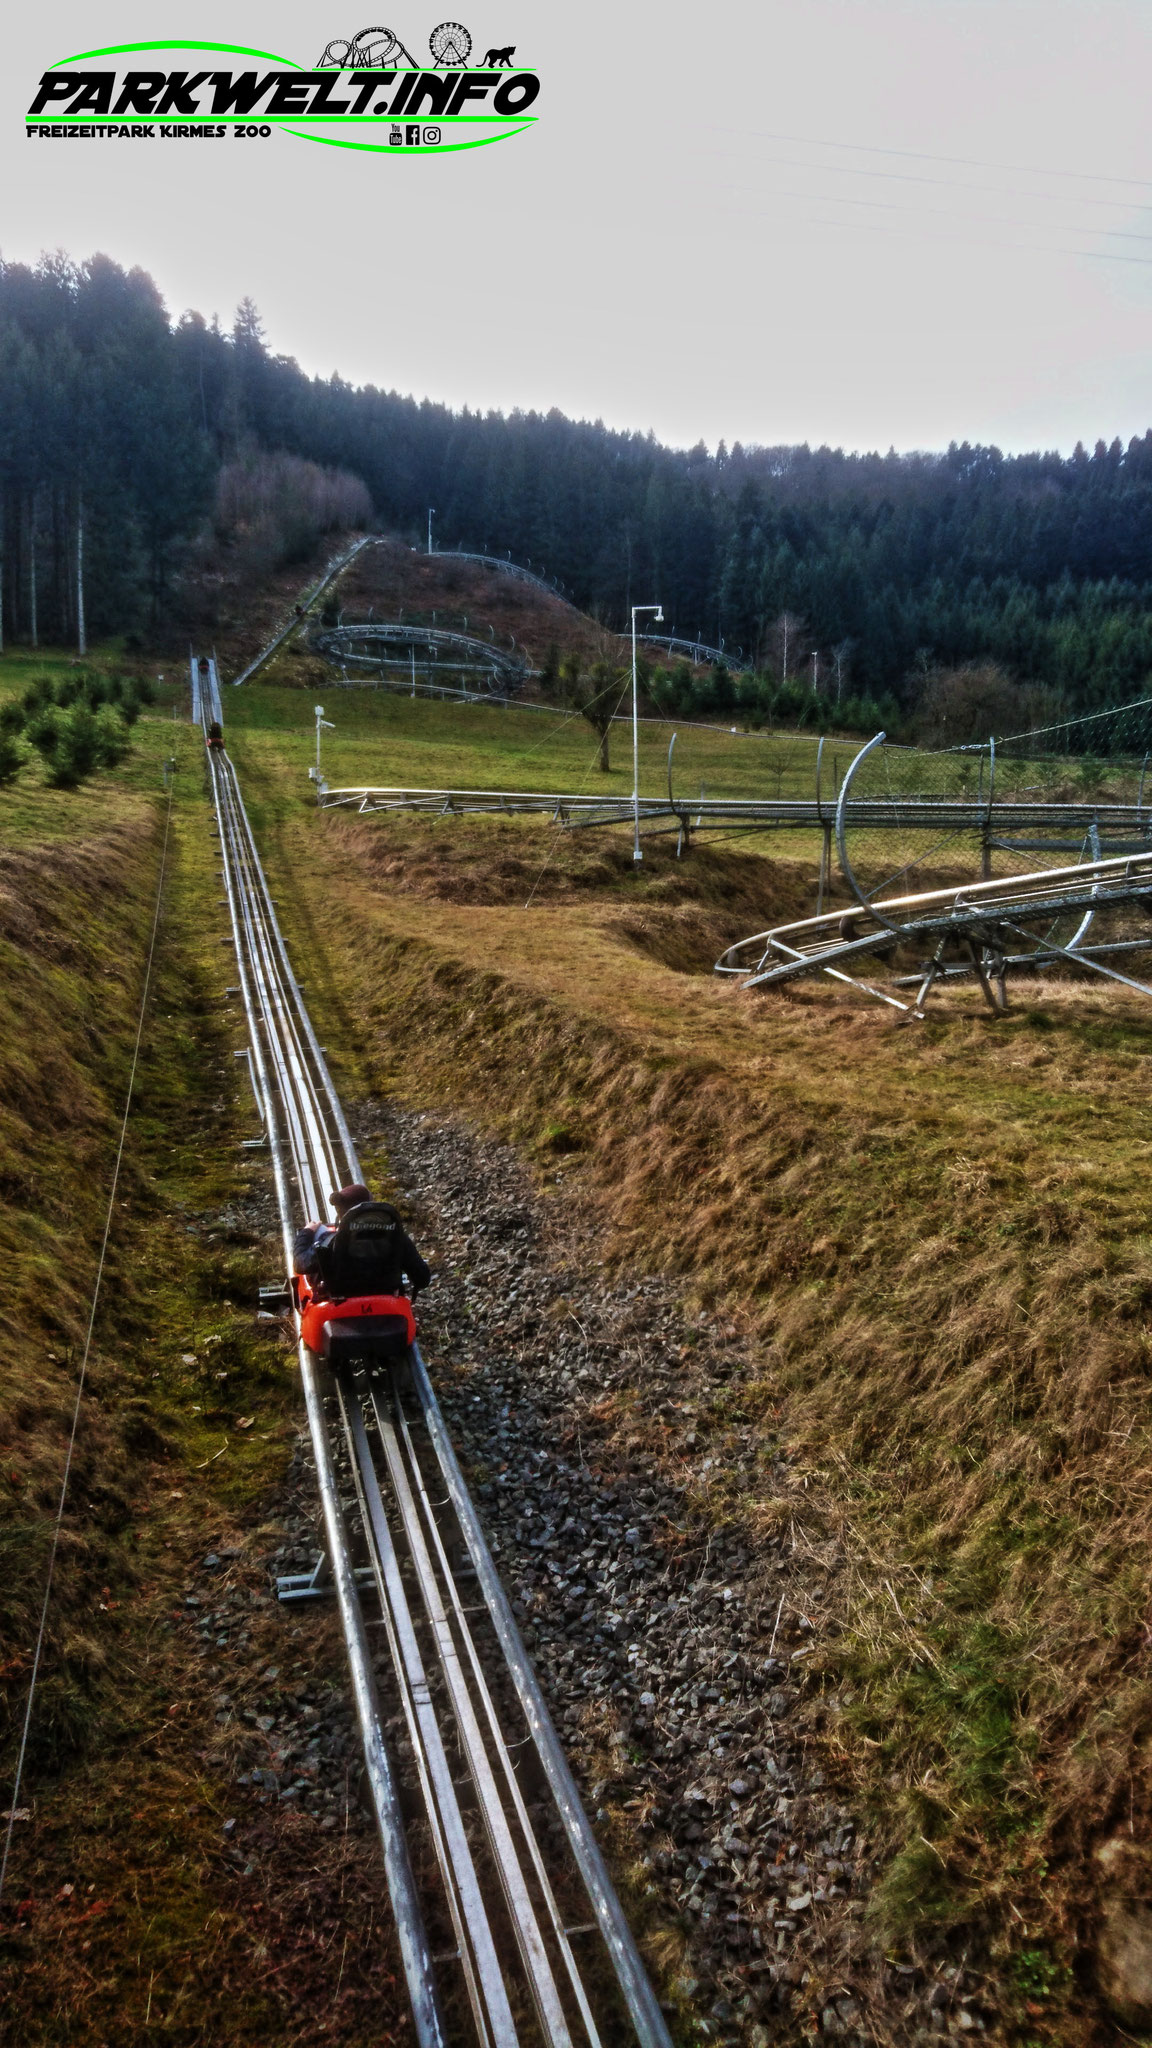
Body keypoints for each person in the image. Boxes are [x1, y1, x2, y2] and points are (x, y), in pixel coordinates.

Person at [293, 1183, 431, 1301]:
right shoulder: (396, 1237)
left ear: (342, 1215)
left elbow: (300, 1264)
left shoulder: (330, 1242)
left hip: (343, 1307)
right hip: (387, 1304)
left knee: (319, 1232)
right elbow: (423, 1278)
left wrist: (307, 1232)